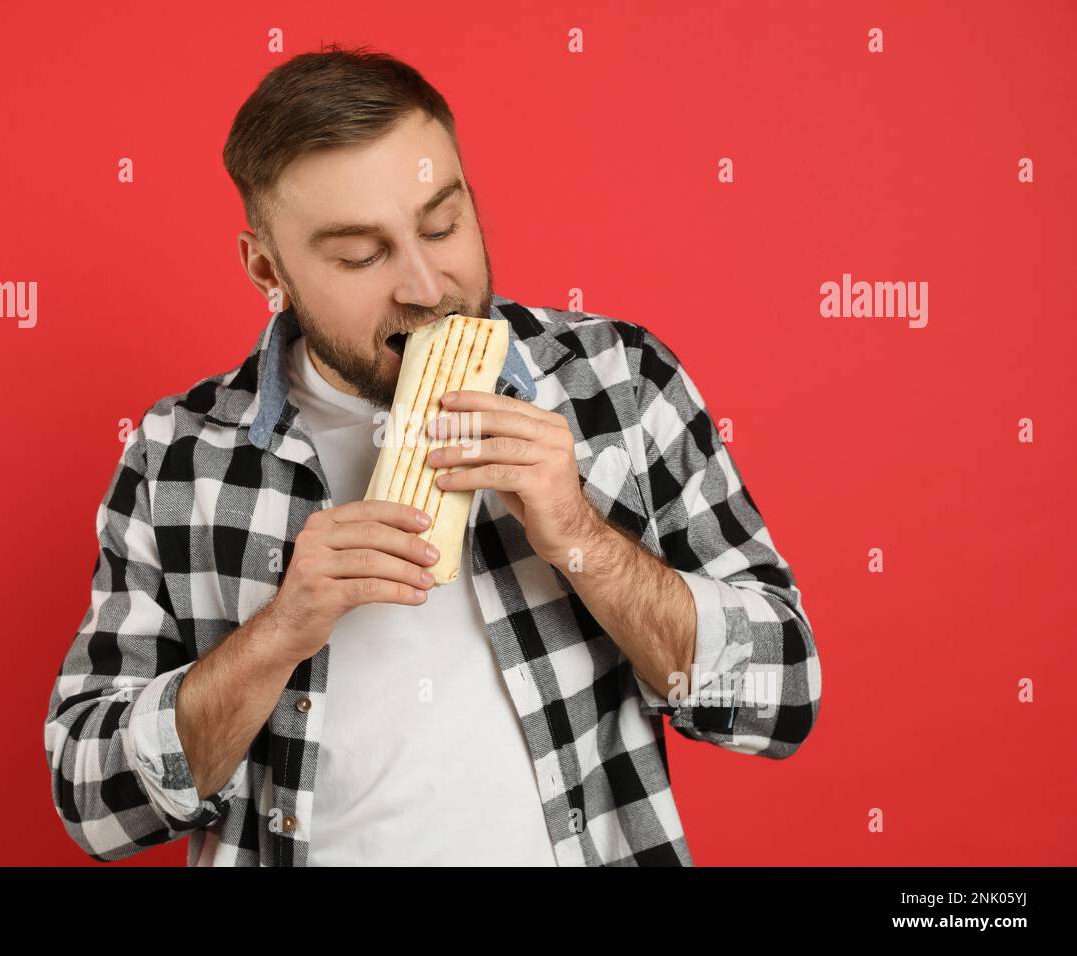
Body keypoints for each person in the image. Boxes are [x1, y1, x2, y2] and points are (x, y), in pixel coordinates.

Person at [44, 43, 821, 867]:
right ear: (267, 269)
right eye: (360, 256)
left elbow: (780, 700)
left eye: (442, 223)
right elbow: (95, 808)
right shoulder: (179, 457)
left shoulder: (618, 384)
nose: (426, 284)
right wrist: (277, 634)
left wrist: (581, 539)